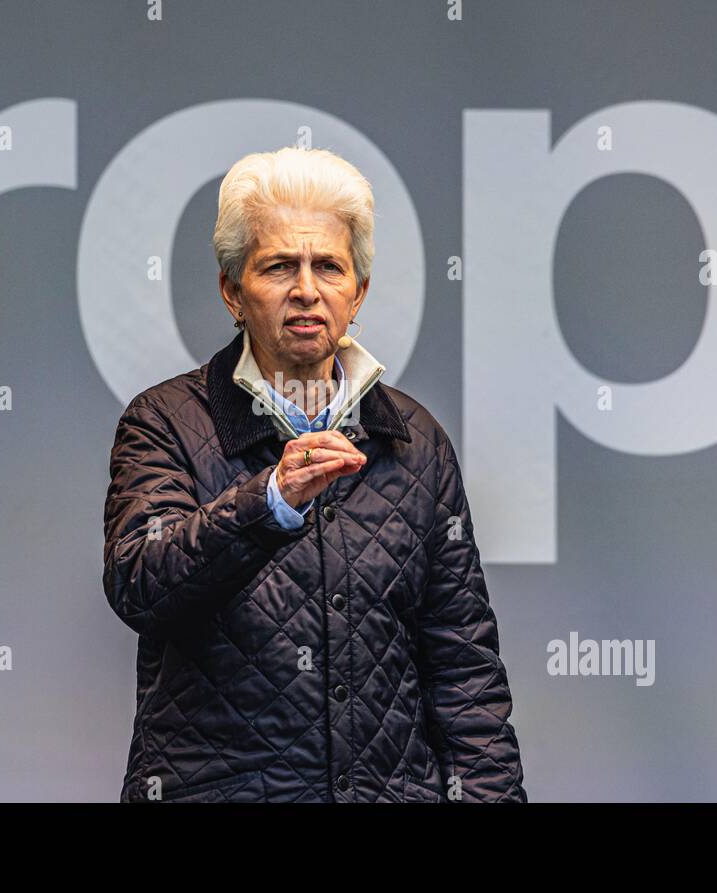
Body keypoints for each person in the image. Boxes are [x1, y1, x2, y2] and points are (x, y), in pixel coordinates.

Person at [102, 146, 527, 802]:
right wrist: (268, 501)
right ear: (231, 290)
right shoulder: (164, 421)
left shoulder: (416, 441)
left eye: (328, 266)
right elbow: (141, 584)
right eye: (278, 266)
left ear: (357, 293)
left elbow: (464, 671)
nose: (306, 289)